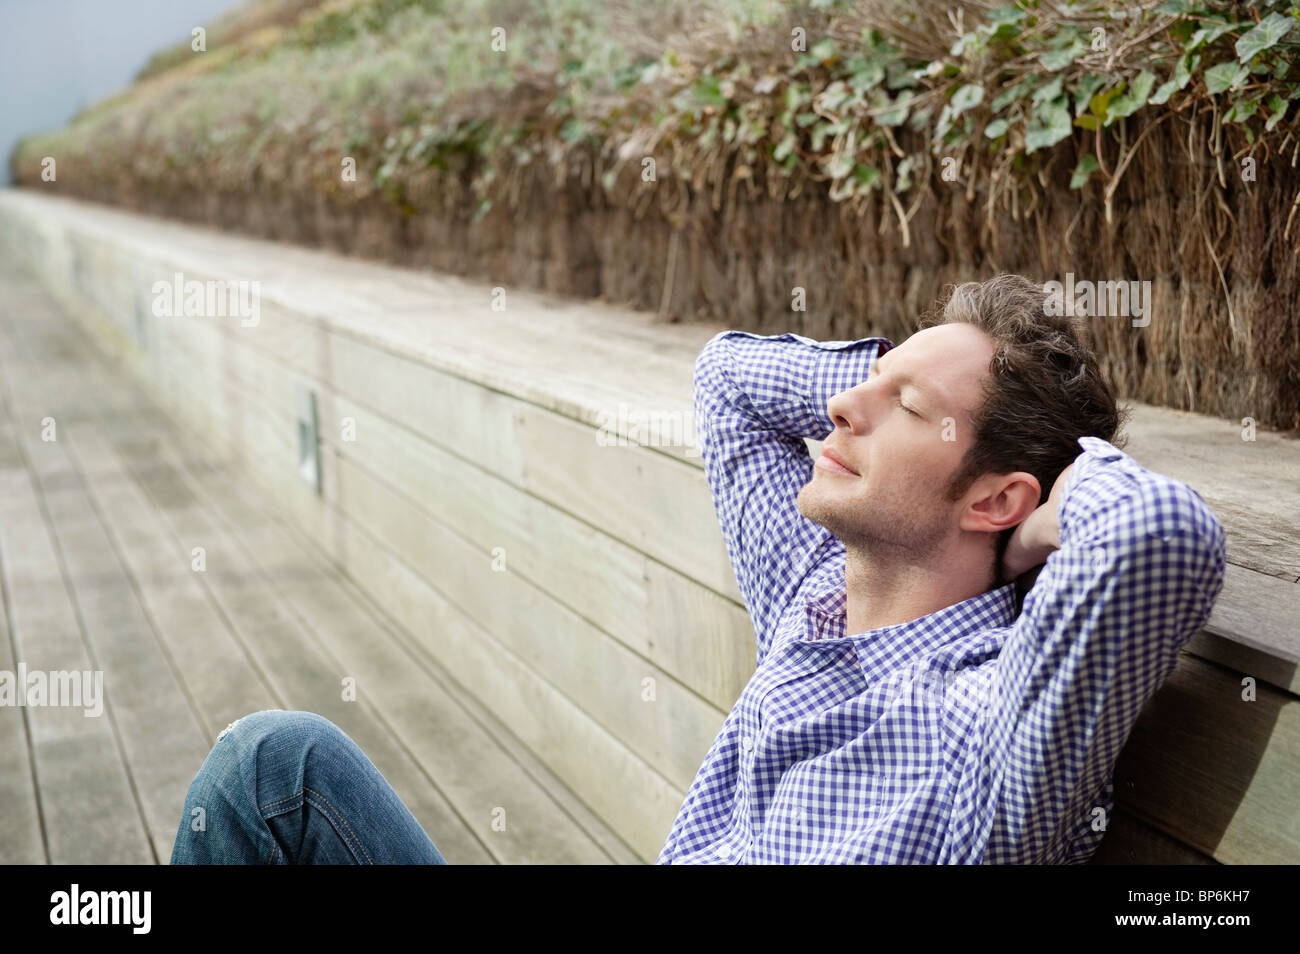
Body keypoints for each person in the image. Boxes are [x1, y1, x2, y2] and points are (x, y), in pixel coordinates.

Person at [170, 273, 1225, 865]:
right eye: (866, 381)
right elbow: (725, 381)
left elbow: (1160, 540)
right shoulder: (809, 600)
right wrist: (897, 373)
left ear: (995, 501)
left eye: (902, 407)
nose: (842, 408)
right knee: (276, 771)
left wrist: (1060, 496)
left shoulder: (994, 728)